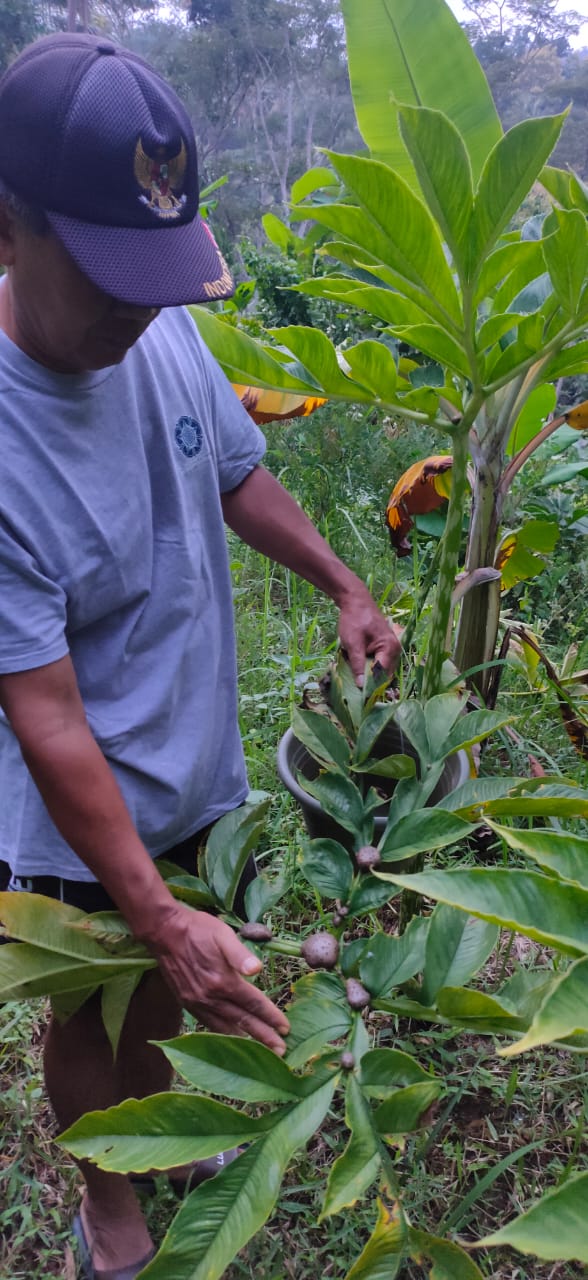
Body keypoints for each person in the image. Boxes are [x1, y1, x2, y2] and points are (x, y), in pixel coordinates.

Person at [0, 32, 400, 1280]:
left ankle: (166, 1129)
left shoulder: (152, 325)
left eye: (156, 272)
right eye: (113, 275)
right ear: (8, 226)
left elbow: (231, 465)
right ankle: (110, 1204)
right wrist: (153, 909)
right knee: (98, 1001)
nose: (142, 305)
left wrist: (342, 580)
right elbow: (47, 713)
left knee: (182, 982)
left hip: (195, 754)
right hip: (80, 805)